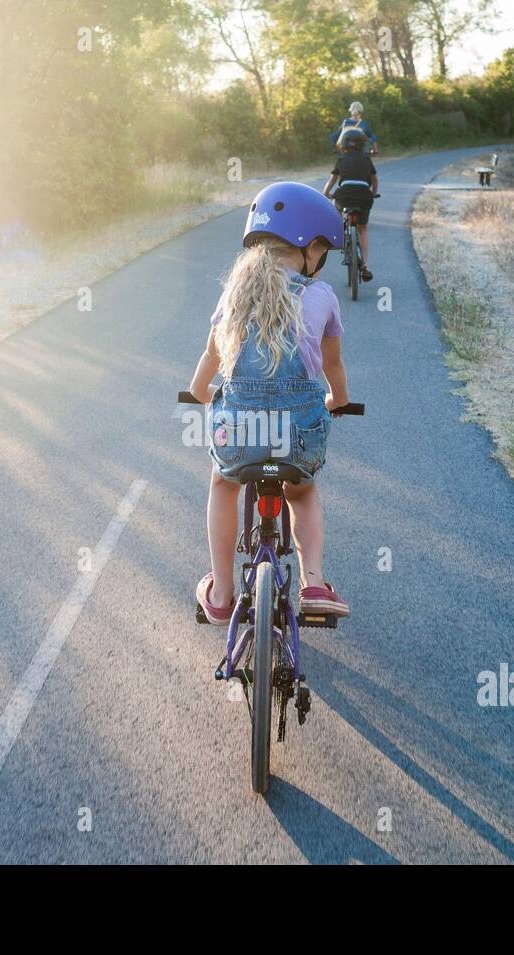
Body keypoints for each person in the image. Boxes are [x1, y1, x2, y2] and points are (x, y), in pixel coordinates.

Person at [188, 181, 353, 624]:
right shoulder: (321, 296)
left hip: (239, 436)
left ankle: (222, 592)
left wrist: (200, 393)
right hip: (296, 436)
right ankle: (313, 582)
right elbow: (333, 367)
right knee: (303, 492)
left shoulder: (234, 295)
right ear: (310, 246)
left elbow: (211, 355)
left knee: (223, 483)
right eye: (322, 250)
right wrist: (339, 400)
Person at [323, 126, 379, 282]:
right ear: (362, 144)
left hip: (345, 195)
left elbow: (332, 180)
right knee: (363, 231)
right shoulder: (366, 159)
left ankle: (338, 229)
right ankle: (365, 266)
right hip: (364, 196)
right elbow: (374, 180)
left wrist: (325, 194)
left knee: (336, 204)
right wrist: (373, 194)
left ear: (343, 144)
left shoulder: (341, 159)